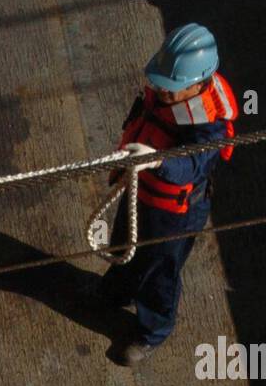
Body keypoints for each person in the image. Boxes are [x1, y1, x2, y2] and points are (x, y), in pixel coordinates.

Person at [102, 24, 238, 366]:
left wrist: (157, 160)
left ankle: (152, 331)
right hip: (140, 191)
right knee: (123, 244)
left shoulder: (211, 125)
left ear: (199, 83)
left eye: (171, 88)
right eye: (160, 84)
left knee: (160, 272)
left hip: (174, 213)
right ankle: (116, 290)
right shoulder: (167, 91)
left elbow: (192, 165)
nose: (161, 91)